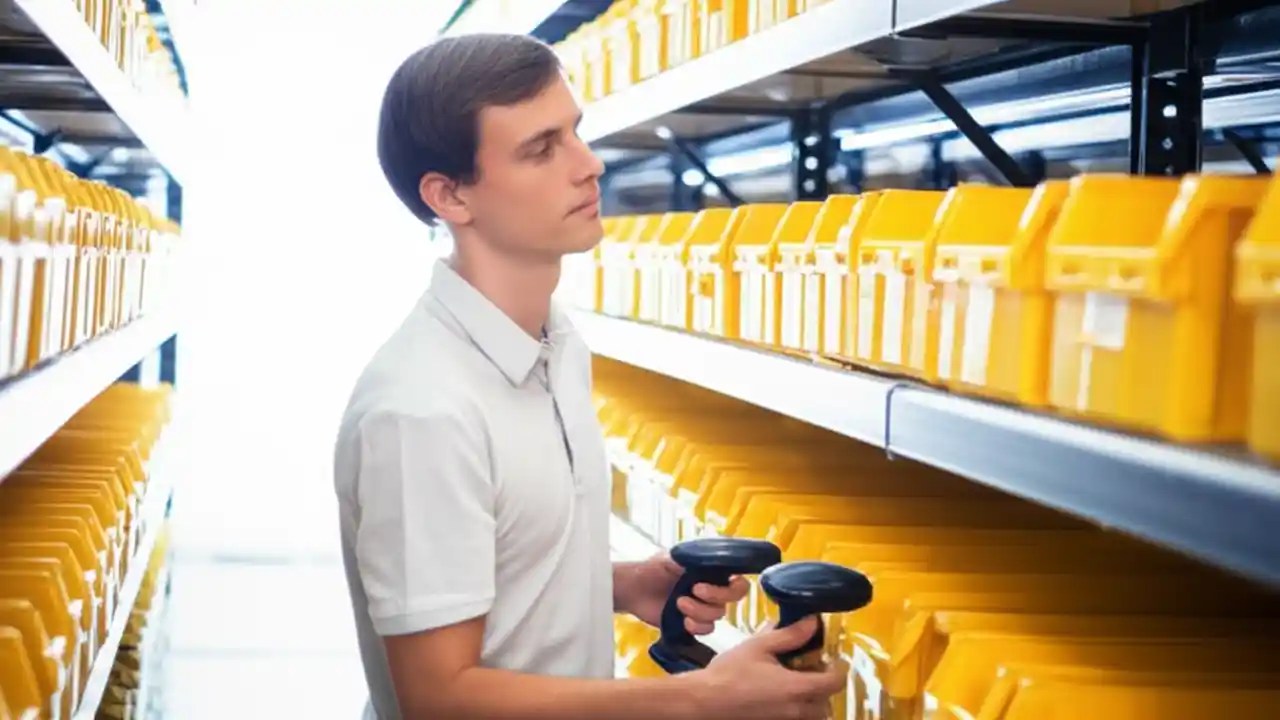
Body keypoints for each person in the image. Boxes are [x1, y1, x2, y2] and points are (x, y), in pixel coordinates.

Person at [332, 32, 844, 720]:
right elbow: (440, 696)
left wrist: (624, 585)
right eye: (541, 150)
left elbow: (494, 566)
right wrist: (699, 698)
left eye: (576, 132)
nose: (589, 165)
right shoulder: (422, 412)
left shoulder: (557, 343)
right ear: (449, 195)